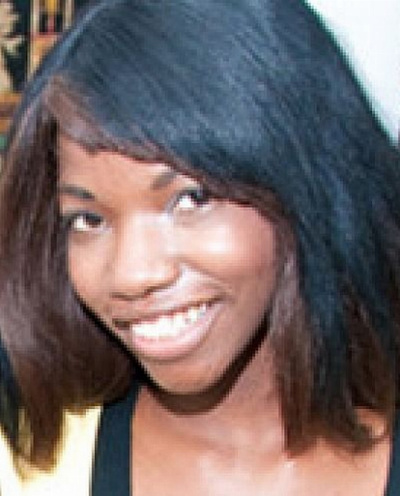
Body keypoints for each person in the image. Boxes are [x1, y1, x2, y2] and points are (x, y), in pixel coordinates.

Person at [0, 0, 400, 494]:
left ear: (304, 187)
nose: (132, 274)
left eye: (191, 199)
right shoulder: (29, 466)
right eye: (89, 220)